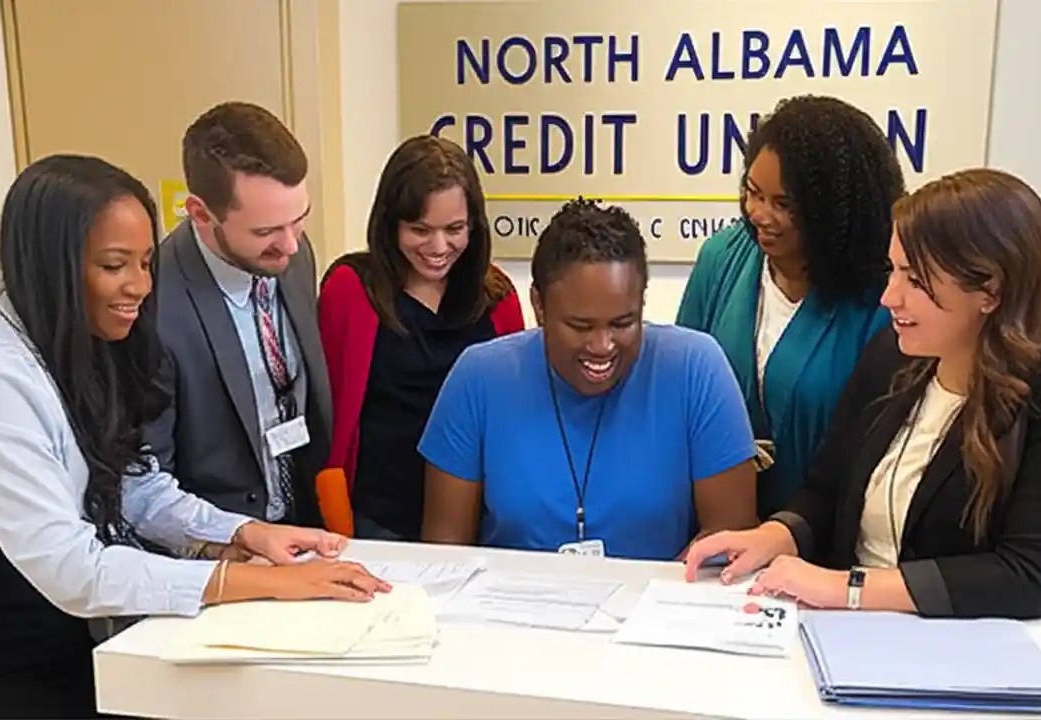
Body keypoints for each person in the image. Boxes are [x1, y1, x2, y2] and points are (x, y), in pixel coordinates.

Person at [0, 155, 388, 718]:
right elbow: (69, 567)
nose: (139, 286)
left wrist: (243, 532)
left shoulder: (90, 339)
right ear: (50, 267)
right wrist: (260, 583)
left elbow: (135, 484)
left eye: (145, 262)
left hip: (71, 629)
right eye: (115, 265)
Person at [683, 168, 1041, 620]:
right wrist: (773, 535)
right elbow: (825, 489)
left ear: (989, 290)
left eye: (914, 279)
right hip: (841, 627)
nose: (889, 297)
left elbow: (1031, 578)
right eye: (892, 272)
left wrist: (847, 588)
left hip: (962, 645)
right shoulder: (893, 356)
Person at [418, 198, 759, 561]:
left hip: (657, 610)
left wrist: (652, 603)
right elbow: (444, 553)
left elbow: (729, 540)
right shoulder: (477, 378)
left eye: (623, 323)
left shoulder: (696, 368)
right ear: (539, 307)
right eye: (580, 326)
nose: (602, 346)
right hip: (509, 611)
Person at [676, 95, 905, 520]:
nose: (760, 214)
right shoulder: (721, 257)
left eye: (784, 205)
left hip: (827, 538)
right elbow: (683, 390)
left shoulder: (882, 296)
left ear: (834, 210)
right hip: (718, 528)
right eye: (753, 193)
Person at [317, 135, 524, 540]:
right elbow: (329, 413)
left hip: (477, 521)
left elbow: (515, 414)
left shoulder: (498, 297)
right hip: (376, 519)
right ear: (390, 223)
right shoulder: (351, 289)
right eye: (420, 229)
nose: (439, 247)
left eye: (455, 229)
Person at [145, 101, 331, 528]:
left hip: (301, 523)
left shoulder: (296, 256)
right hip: (215, 548)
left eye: (299, 219)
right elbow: (147, 482)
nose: (289, 245)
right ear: (201, 213)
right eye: (265, 232)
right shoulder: (156, 300)